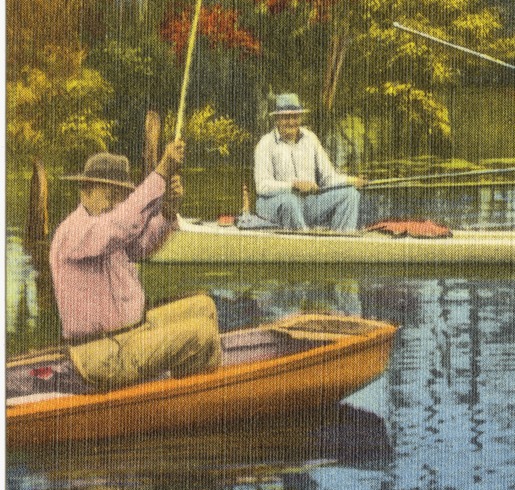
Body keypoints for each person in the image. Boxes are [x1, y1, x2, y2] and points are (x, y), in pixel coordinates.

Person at [50, 141, 222, 390]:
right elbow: (122, 225)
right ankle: (202, 398)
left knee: (203, 306)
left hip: (130, 335)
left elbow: (140, 247)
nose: (116, 204)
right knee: (201, 332)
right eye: (110, 195)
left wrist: (169, 212)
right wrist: (162, 171)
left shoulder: (104, 228)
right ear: (85, 190)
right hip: (103, 355)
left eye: (121, 197)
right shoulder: (74, 232)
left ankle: (193, 382)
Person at [254, 93, 366, 231]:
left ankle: (340, 244)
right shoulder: (265, 143)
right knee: (290, 201)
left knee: (350, 194)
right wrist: (293, 185)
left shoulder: (310, 138)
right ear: (277, 119)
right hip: (274, 203)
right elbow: (262, 186)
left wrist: (350, 180)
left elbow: (329, 177)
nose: (291, 122)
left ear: (300, 118)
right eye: (285, 117)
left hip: (308, 203)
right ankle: (304, 245)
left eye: (295, 116)